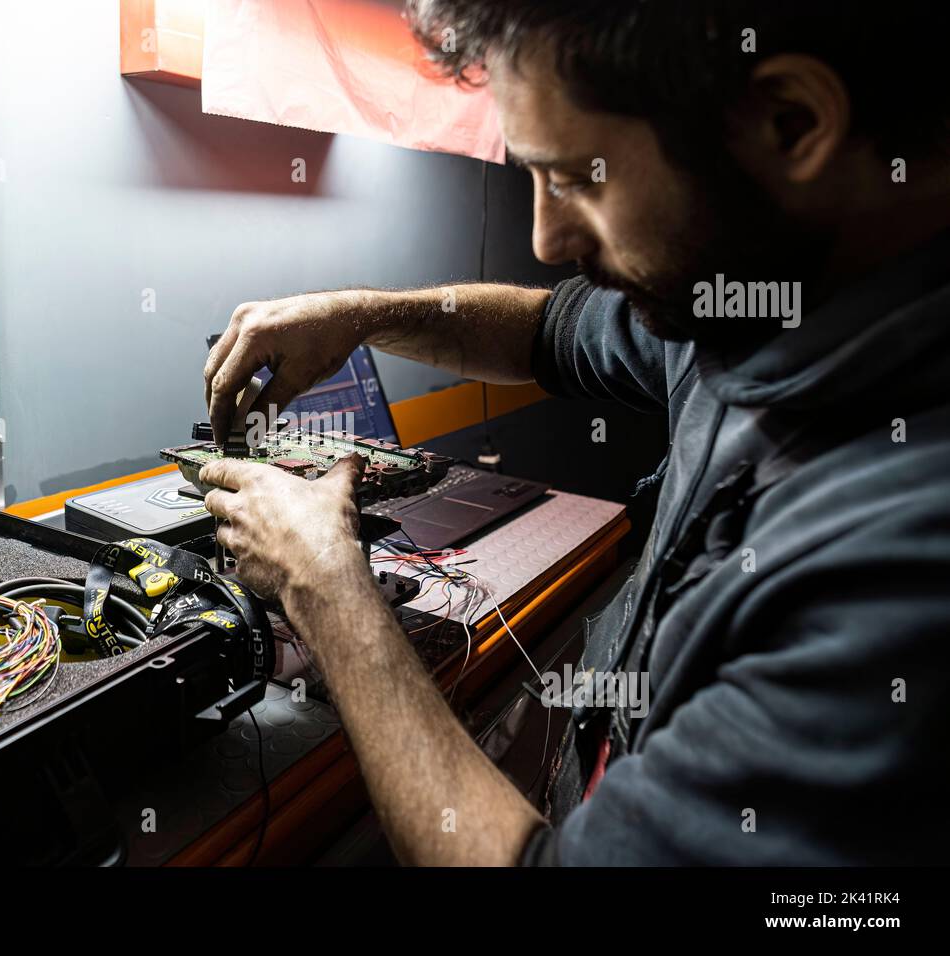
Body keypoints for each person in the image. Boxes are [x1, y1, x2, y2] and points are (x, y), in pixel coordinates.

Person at [199, 0, 950, 865]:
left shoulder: (902, 566)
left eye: (578, 178)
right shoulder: (750, 297)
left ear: (794, 122)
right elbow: (546, 329)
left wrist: (327, 594)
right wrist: (360, 315)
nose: (545, 237)